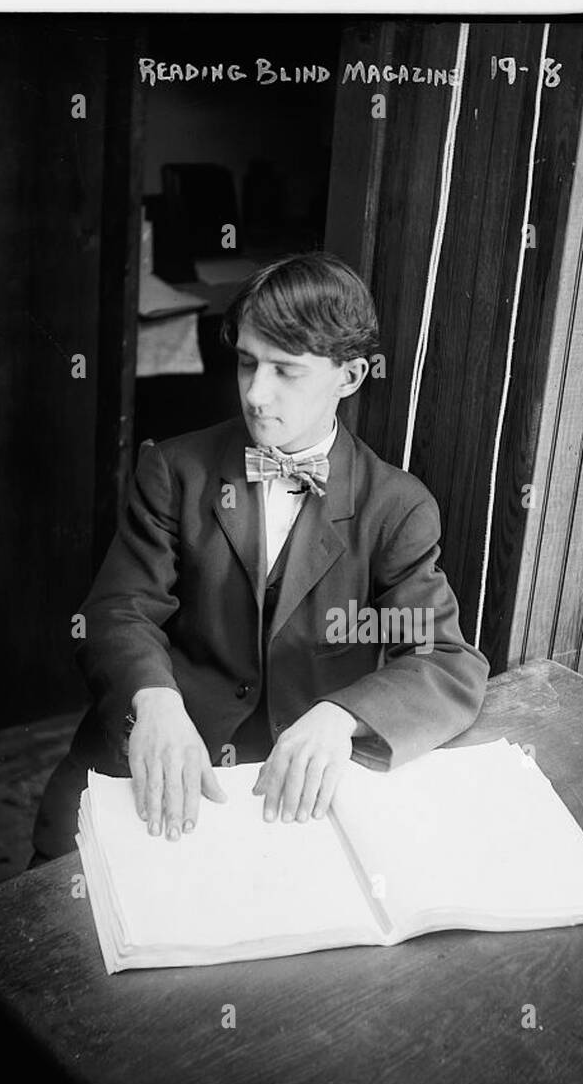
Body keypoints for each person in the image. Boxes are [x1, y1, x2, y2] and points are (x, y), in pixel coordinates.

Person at [31, 251, 489, 860]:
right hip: (152, 766)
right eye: (247, 362)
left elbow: (445, 661)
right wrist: (153, 702)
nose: (255, 392)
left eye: (286, 370)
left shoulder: (396, 507)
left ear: (350, 378)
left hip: (286, 794)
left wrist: (339, 717)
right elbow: (116, 612)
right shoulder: (174, 470)